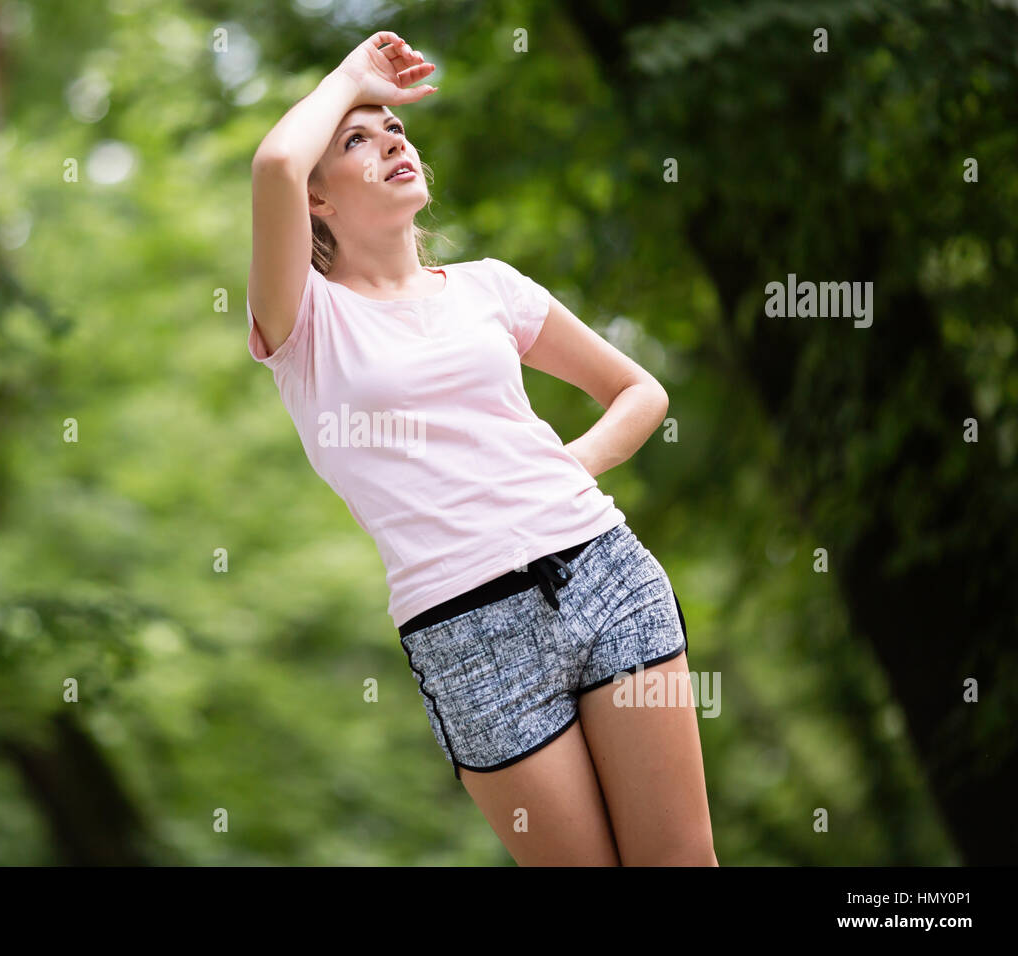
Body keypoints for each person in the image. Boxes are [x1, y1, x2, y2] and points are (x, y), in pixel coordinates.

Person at [247, 30, 716, 866]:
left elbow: (641, 391)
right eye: (359, 138)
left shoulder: (489, 288)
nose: (392, 137)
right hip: (467, 632)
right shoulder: (305, 325)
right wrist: (354, 76)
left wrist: (568, 467)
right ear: (319, 201)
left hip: (604, 574)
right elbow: (276, 165)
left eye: (395, 129)